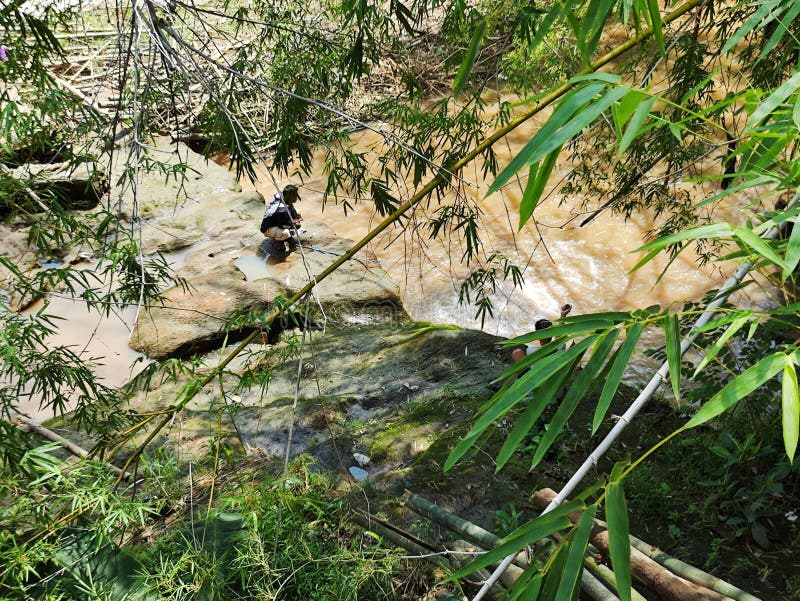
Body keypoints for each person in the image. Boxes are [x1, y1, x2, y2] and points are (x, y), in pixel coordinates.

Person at [260, 184, 303, 252]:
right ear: (291, 197)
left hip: (277, 221)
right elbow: (282, 225)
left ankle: (280, 236)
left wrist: (296, 218)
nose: (297, 197)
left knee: (298, 213)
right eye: (295, 195)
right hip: (268, 228)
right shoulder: (282, 210)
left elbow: (292, 210)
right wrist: (294, 225)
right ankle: (275, 240)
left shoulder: (284, 198)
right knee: (286, 233)